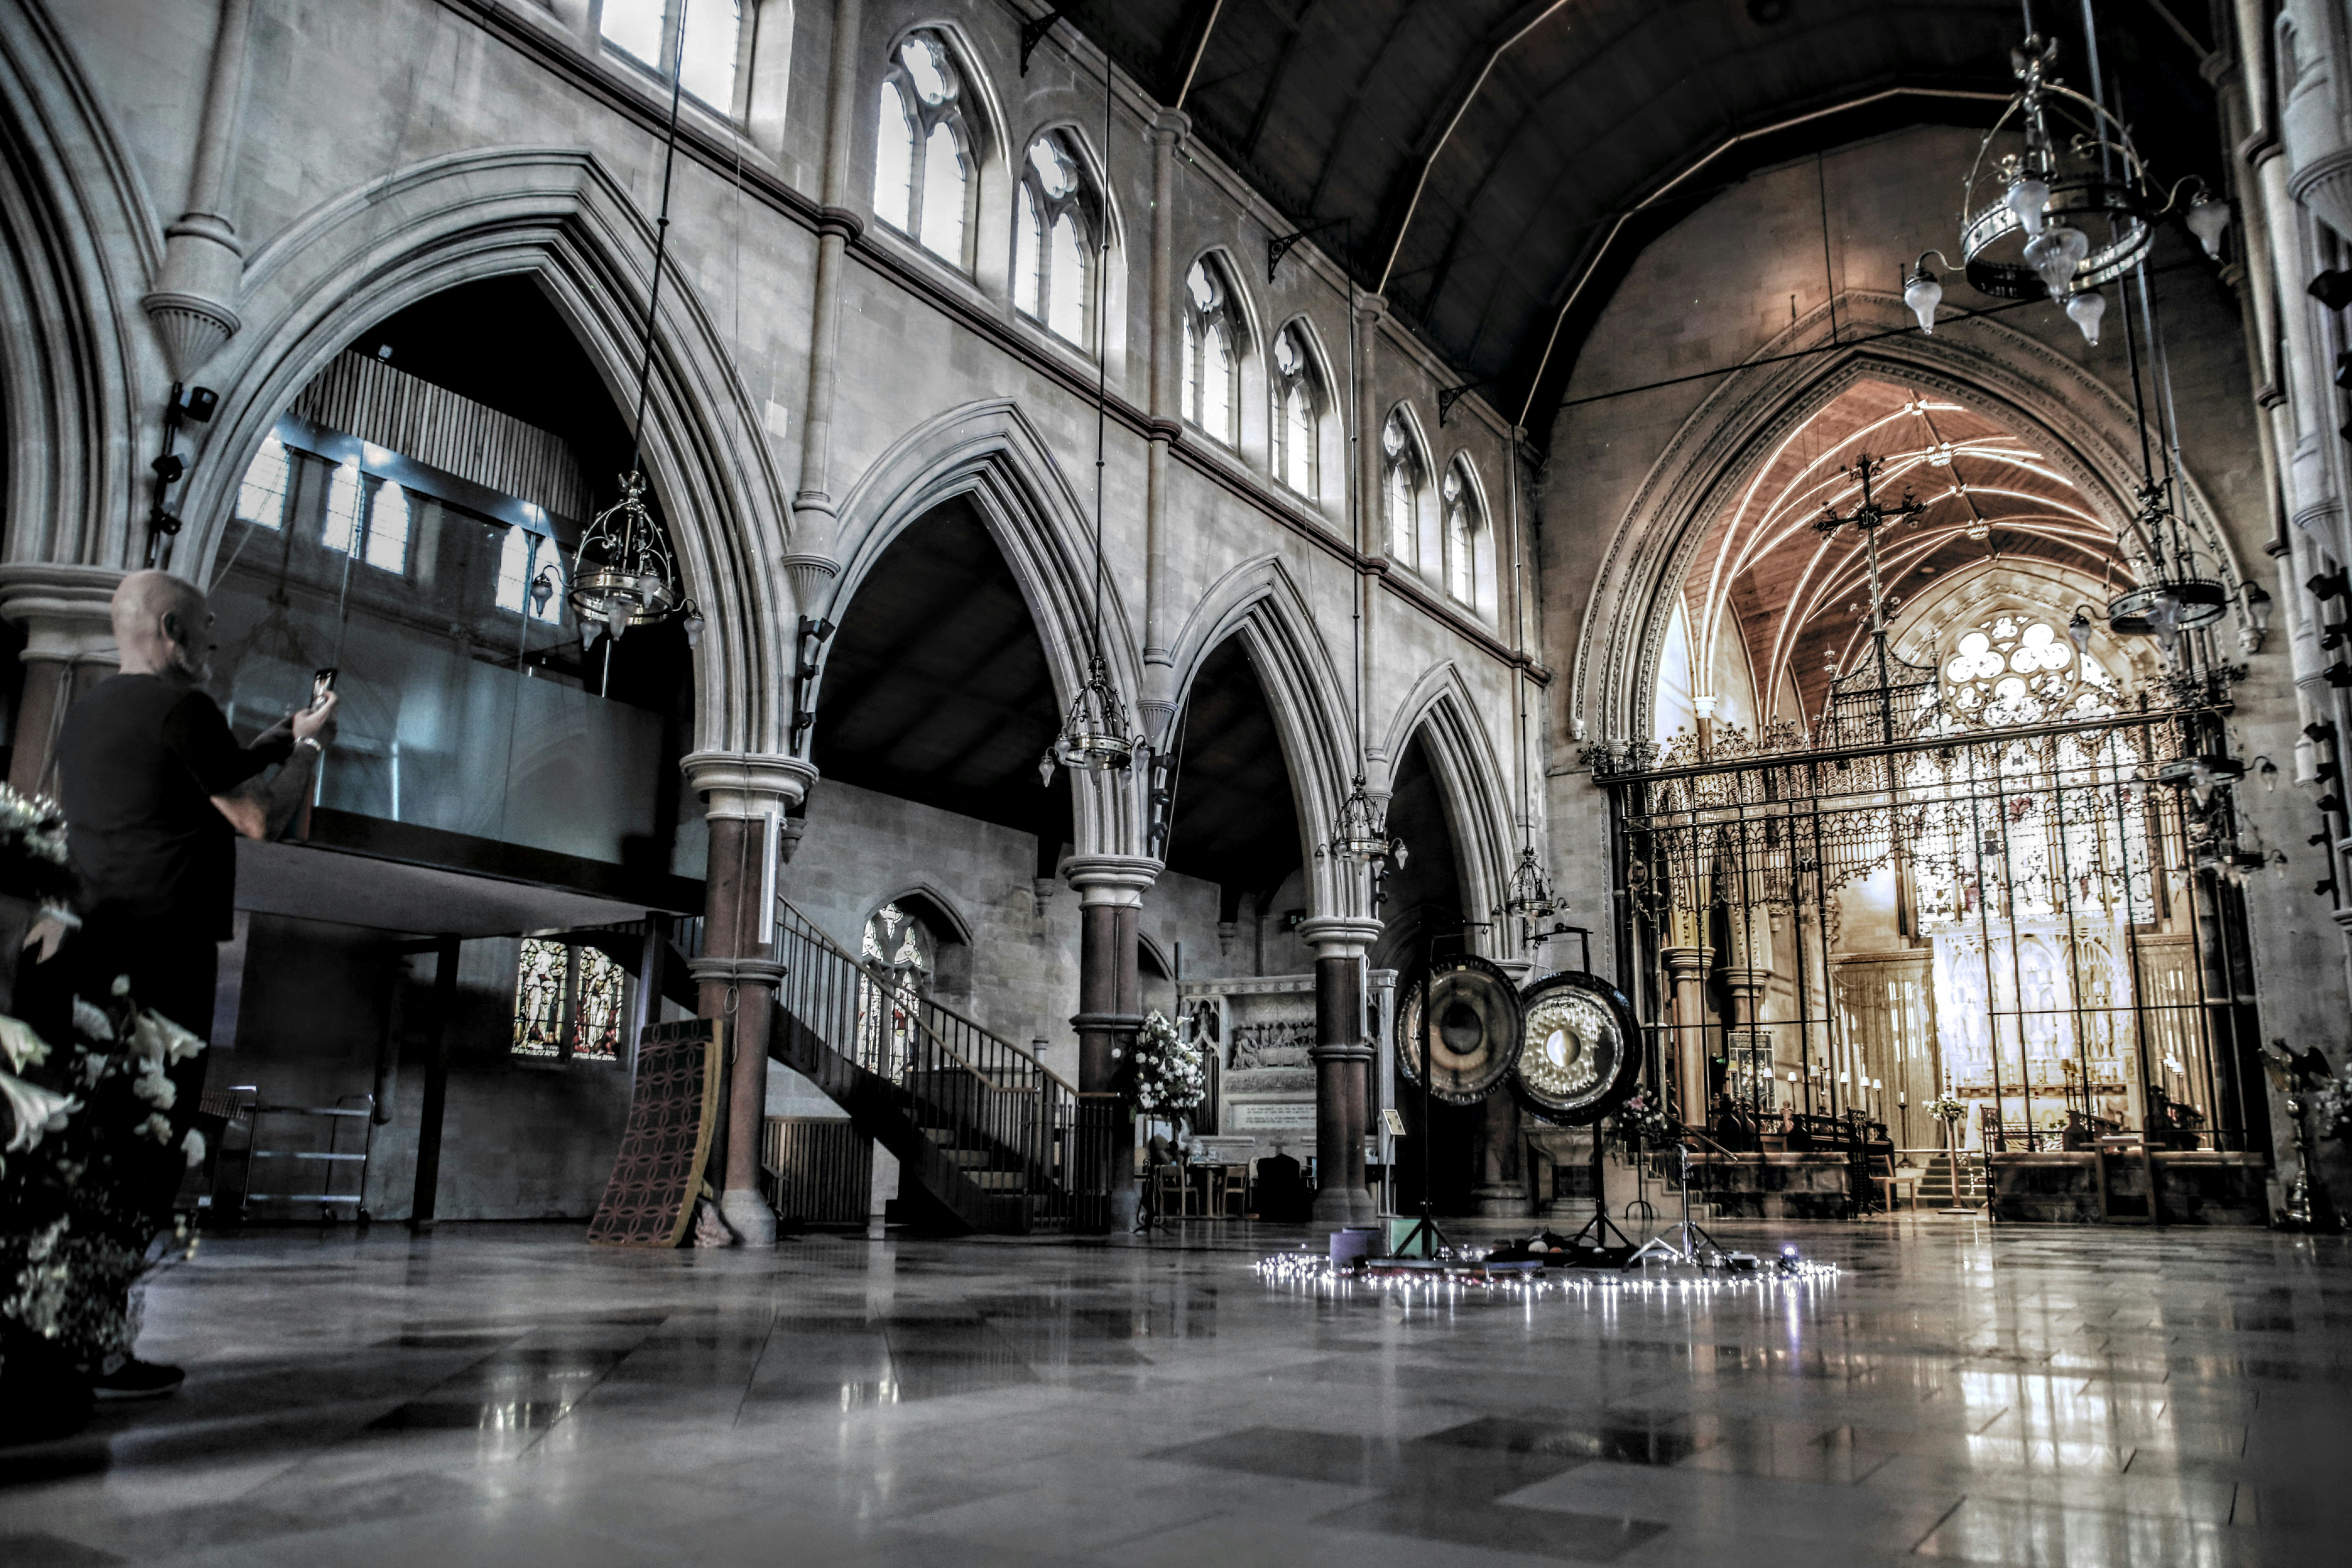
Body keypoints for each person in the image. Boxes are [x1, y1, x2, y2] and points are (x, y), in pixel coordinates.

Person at [48, 569, 336, 1400]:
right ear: (173, 627)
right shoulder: (186, 708)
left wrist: (283, 732)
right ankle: (99, 1345)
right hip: (166, 957)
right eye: (208, 629)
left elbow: (204, 771)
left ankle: (62, 1331)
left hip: (96, 954)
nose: (215, 644)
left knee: (93, 1146)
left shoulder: (91, 711)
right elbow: (256, 817)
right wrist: (311, 750)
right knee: (147, 1152)